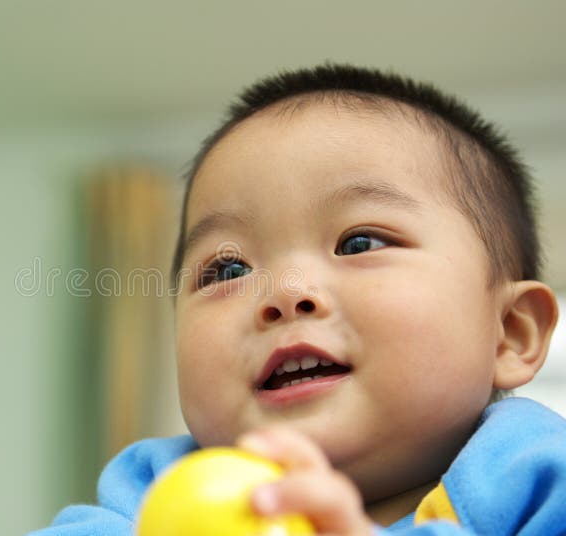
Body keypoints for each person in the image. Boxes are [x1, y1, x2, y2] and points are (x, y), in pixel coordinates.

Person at [31, 64, 565, 535]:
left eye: (360, 243)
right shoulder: (150, 493)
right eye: (228, 270)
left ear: (510, 333)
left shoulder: (535, 478)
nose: (284, 293)